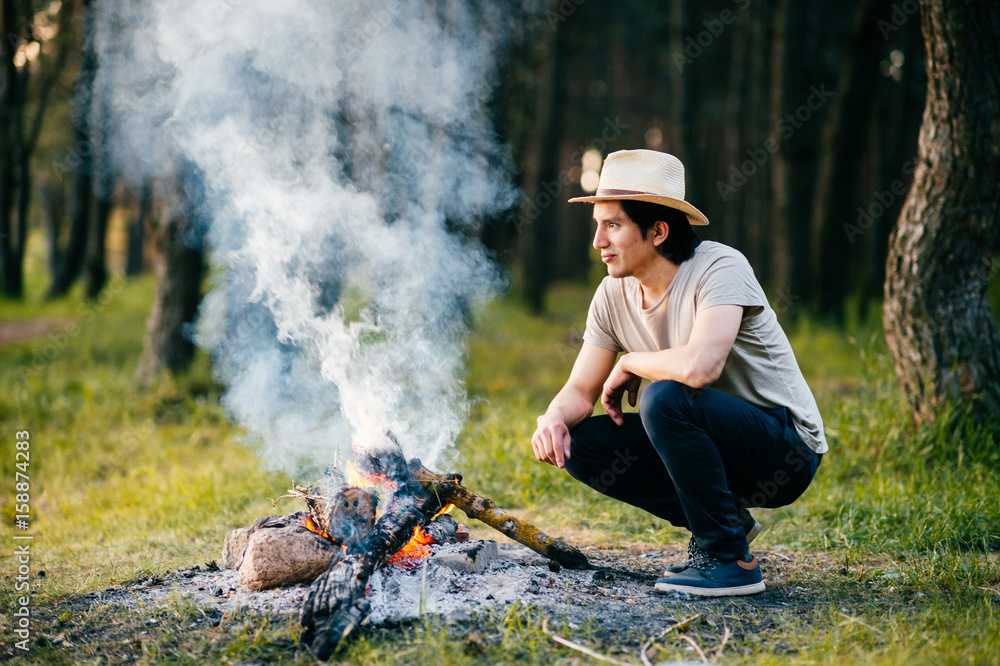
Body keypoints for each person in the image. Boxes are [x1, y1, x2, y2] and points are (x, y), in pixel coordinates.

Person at [530, 149, 827, 597]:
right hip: (711, 445)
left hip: (784, 449)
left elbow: (700, 368)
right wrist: (552, 418)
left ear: (657, 231)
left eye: (612, 225)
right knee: (582, 446)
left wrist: (630, 362)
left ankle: (730, 563)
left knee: (665, 398)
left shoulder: (719, 267)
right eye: (598, 226)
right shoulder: (613, 294)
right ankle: (727, 525)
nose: (598, 242)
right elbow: (580, 388)